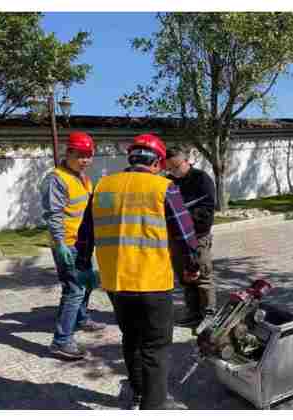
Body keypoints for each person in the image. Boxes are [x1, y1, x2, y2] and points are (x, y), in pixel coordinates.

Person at [76, 133, 200, 409]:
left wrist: (82, 264)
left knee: (131, 339)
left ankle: (138, 393)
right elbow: (185, 235)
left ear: (131, 158)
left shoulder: (103, 187)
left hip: (115, 283)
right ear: (157, 162)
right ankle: (153, 406)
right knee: (155, 347)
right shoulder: (163, 187)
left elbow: (85, 234)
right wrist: (192, 268)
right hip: (152, 282)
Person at [40, 131, 106, 360]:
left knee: (86, 282)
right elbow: (54, 214)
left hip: (84, 241)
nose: (85, 160)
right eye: (81, 155)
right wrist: (60, 244)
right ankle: (61, 341)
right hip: (68, 244)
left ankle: (81, 318)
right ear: (68, 153)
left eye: (89, 155)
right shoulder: (56, 179)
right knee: (74, 289)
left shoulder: (83, 177)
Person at [165, 145, 217, 329]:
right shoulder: (169, 181)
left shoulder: (201, 179)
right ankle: (193, 312)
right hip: (176, 240)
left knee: (202, 275)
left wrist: (185, 220)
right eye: (169, 168)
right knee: (186, 277)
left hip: (198, 237)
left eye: (176, 166)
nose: (173, 171)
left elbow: (208, 209)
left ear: (186, 161)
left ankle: (209, 314)